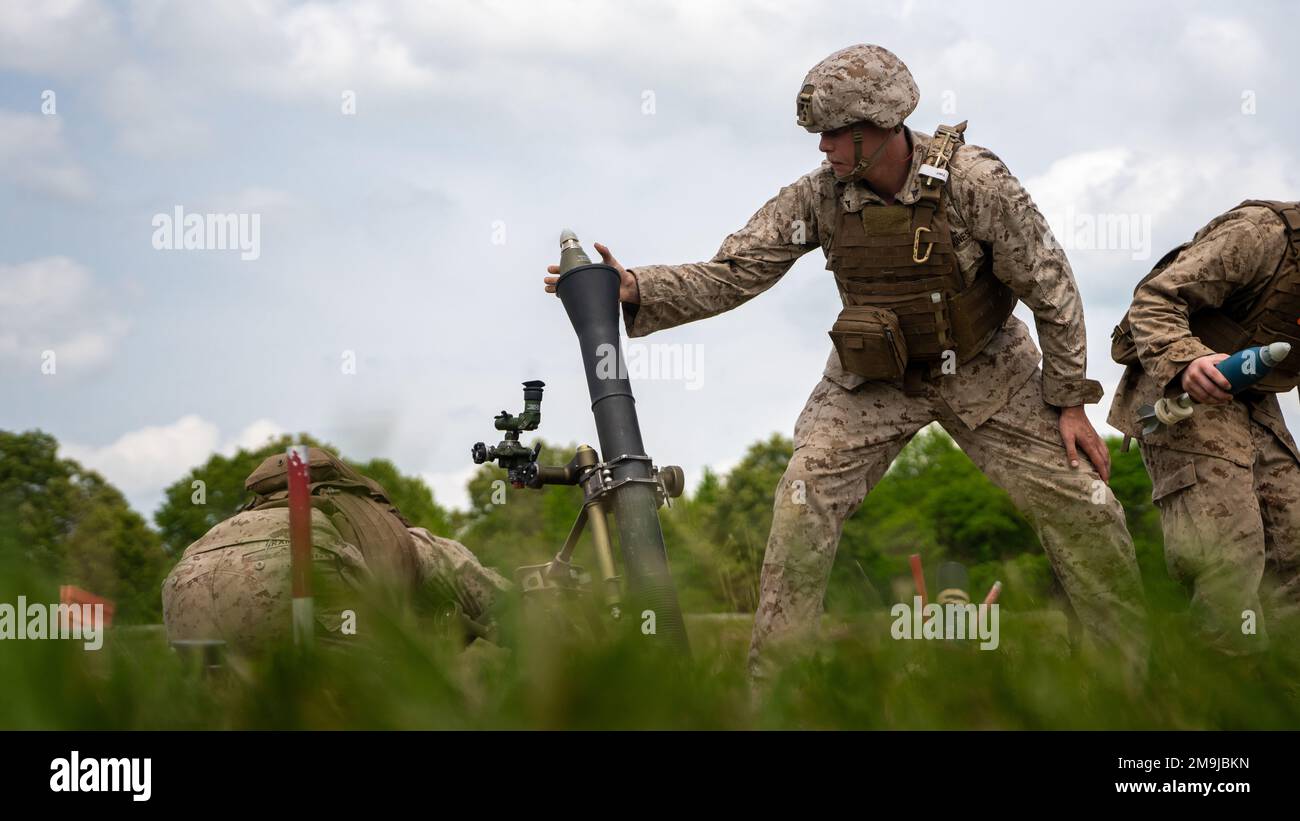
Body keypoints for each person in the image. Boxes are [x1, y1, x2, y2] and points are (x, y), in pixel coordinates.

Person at [543, 44, 1148, 680]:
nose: (822, 149)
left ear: (878, 132)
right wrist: (635, 286)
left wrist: (1070, 400)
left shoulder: (977, 185)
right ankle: (774, 692)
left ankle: (1128, 684)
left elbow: (1050, 286)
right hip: (872, 378)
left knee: (1085, 505)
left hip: (986, 364)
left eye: (834, 135)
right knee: (802, 500)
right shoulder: (820, 197)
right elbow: (739, 271)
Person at [1109, 199, 1300, 654]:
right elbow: (1154, 299)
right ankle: (1217, 694)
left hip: (1254, 396)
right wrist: (1187, 359)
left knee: (1293, 542)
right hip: (1178, 390)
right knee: (1230, 552)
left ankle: (1281, 694)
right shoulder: (1261, 234)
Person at [162, 447, 510, 648]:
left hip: (184, 597)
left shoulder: (231, 526)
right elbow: (506, 610)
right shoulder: (412, 543)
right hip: (294, 605)